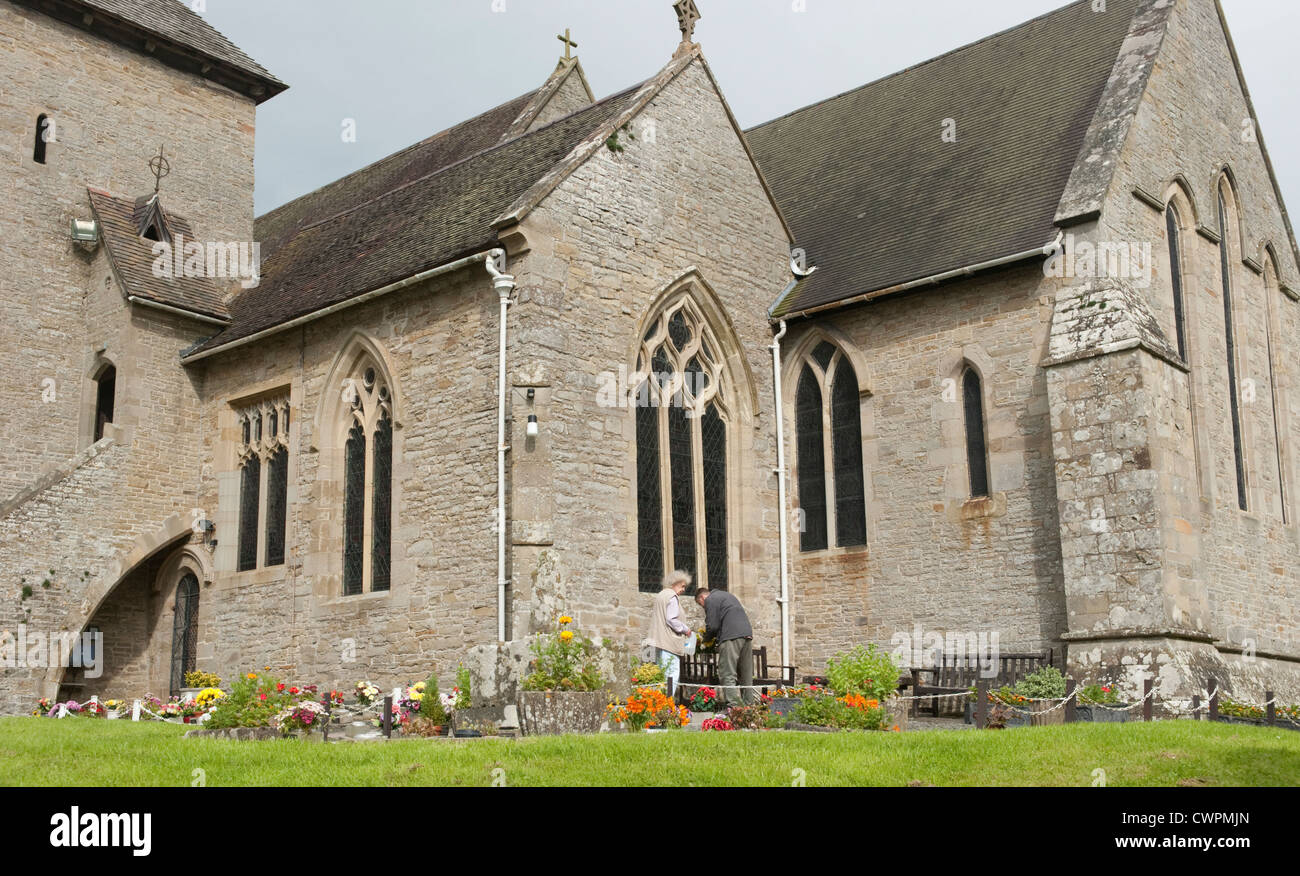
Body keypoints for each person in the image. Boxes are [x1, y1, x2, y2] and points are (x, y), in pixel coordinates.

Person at [695, 587, 755, 707]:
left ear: (702, 597)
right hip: (746, 635)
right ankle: (750, 706)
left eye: (700, 604)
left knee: (727, 672)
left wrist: (704, 640)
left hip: (730, 636)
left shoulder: (710, 599)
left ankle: (734, 707)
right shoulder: (726, 595)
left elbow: (713, 626)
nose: (702, 606)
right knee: (746, 674)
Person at [643, 570, 693, 689]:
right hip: (668, 642)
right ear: (674, 583)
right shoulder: (672, 596)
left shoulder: (661, 595)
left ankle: (661, 703)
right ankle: (668, 703)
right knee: (672, 674)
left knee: (661, 673)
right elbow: (671, 619)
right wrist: (686, 629)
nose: (683, 589)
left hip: (658, 641)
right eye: (682, 586)